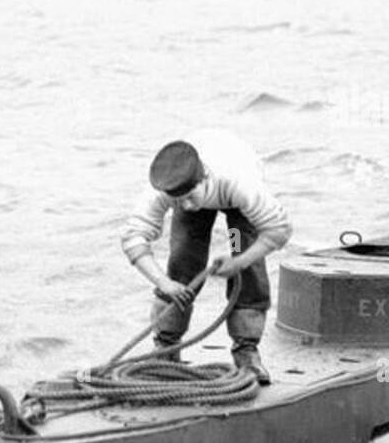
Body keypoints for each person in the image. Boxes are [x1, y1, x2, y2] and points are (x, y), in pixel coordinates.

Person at [119, 131, 292, 385]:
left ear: (205, 179)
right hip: (200, 191)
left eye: (190, 197)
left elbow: (279, 230)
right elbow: (133, 238)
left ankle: (246, 351)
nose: (187, 204)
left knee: (243, 254)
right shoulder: (170, 191)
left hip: (236, 208)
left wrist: (239, 262)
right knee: (184, 260)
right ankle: (166, 348)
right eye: (180, 200)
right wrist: (163, 283)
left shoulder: (240, 184)